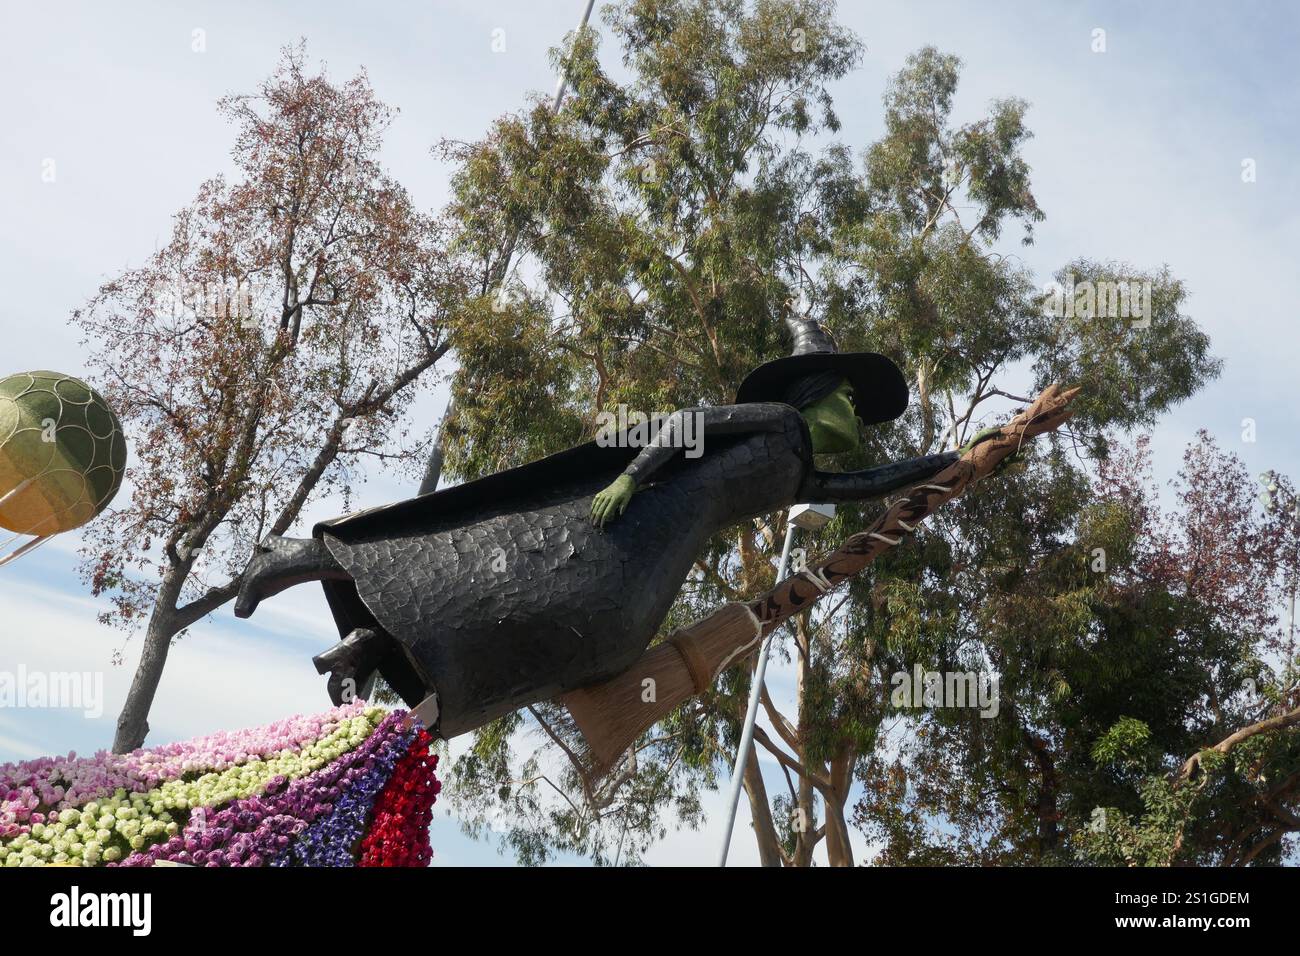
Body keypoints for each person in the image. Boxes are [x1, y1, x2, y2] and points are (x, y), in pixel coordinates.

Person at [235, 316, 984, 738]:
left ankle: (389, 667)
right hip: (632, 521)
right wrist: (630, 477)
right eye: (851, 400)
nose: (855, 416)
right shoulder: (779, 420)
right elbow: (689, 426)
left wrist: (955, 461)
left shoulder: (802, 472)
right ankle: (301, 561)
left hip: (656, 562)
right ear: (821, 392)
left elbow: (866, 486)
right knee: (497, 570)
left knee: (593, 638)